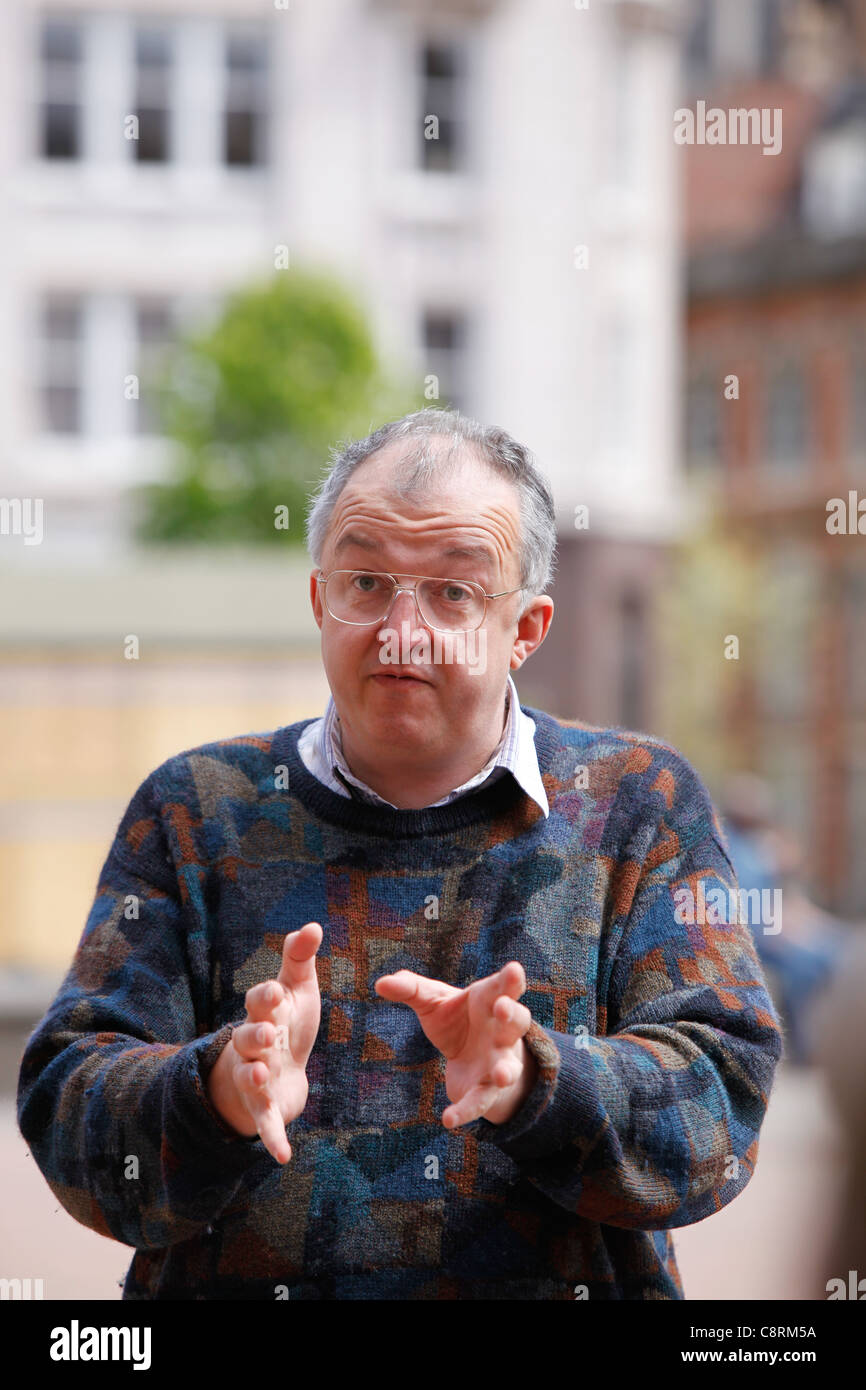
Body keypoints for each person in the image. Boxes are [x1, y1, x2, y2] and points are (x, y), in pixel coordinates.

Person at [17, 408, 783, 1300]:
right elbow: (66, 1098)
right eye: (368, 581)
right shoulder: (196, 810)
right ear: (318, 600)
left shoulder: (638, 804)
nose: (402, 629)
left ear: (526, 629)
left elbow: (723, 1102)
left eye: (454, 592)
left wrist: (538, 1078)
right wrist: (216, 1091)